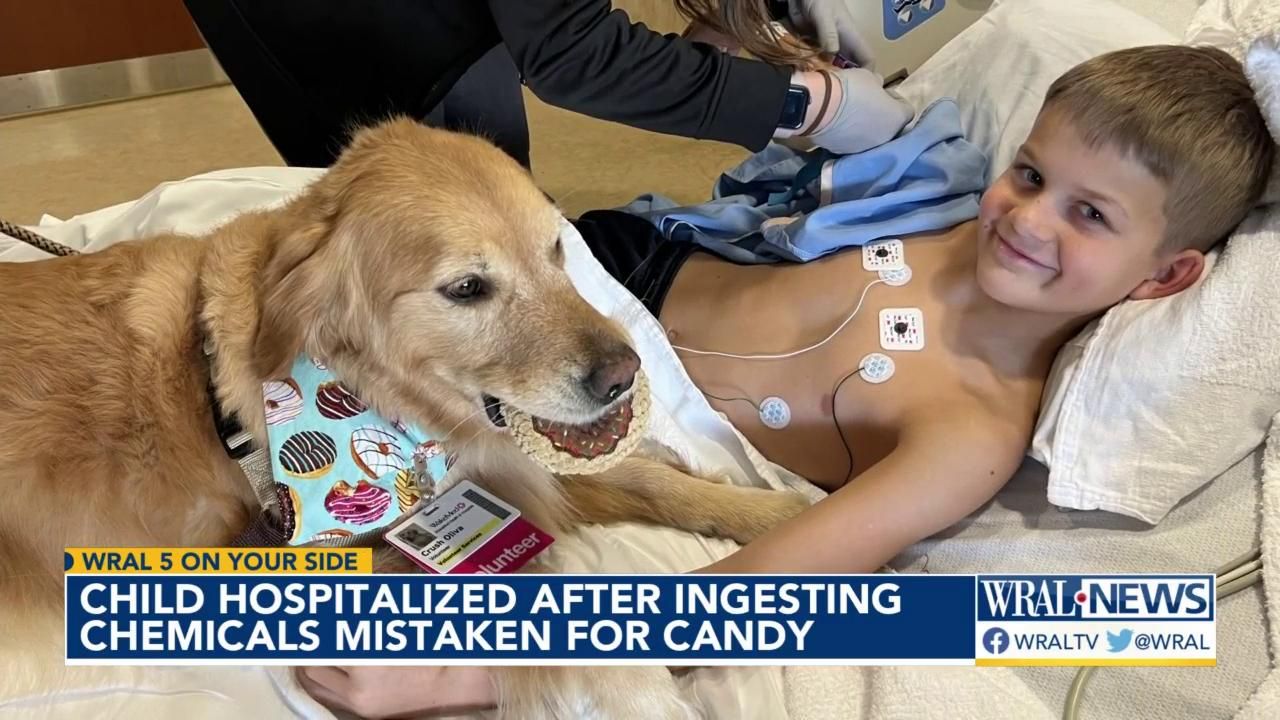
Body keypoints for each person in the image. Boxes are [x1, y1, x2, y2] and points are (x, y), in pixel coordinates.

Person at [297, 43, 1275, 717]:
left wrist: (473, 675)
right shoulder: (940, 201)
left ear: (1166, 278)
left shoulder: (970, 431)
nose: (1026, 218)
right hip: (610, 270)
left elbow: (760, 593)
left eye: (1088, 215)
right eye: (1029, 174)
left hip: (631, 402)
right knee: (311, 318)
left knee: (328, 517)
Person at [183, 0, 908, 171]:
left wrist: (743, 17)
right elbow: (569, 51)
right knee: (446, 221)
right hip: (358, 29)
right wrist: (803, 105)